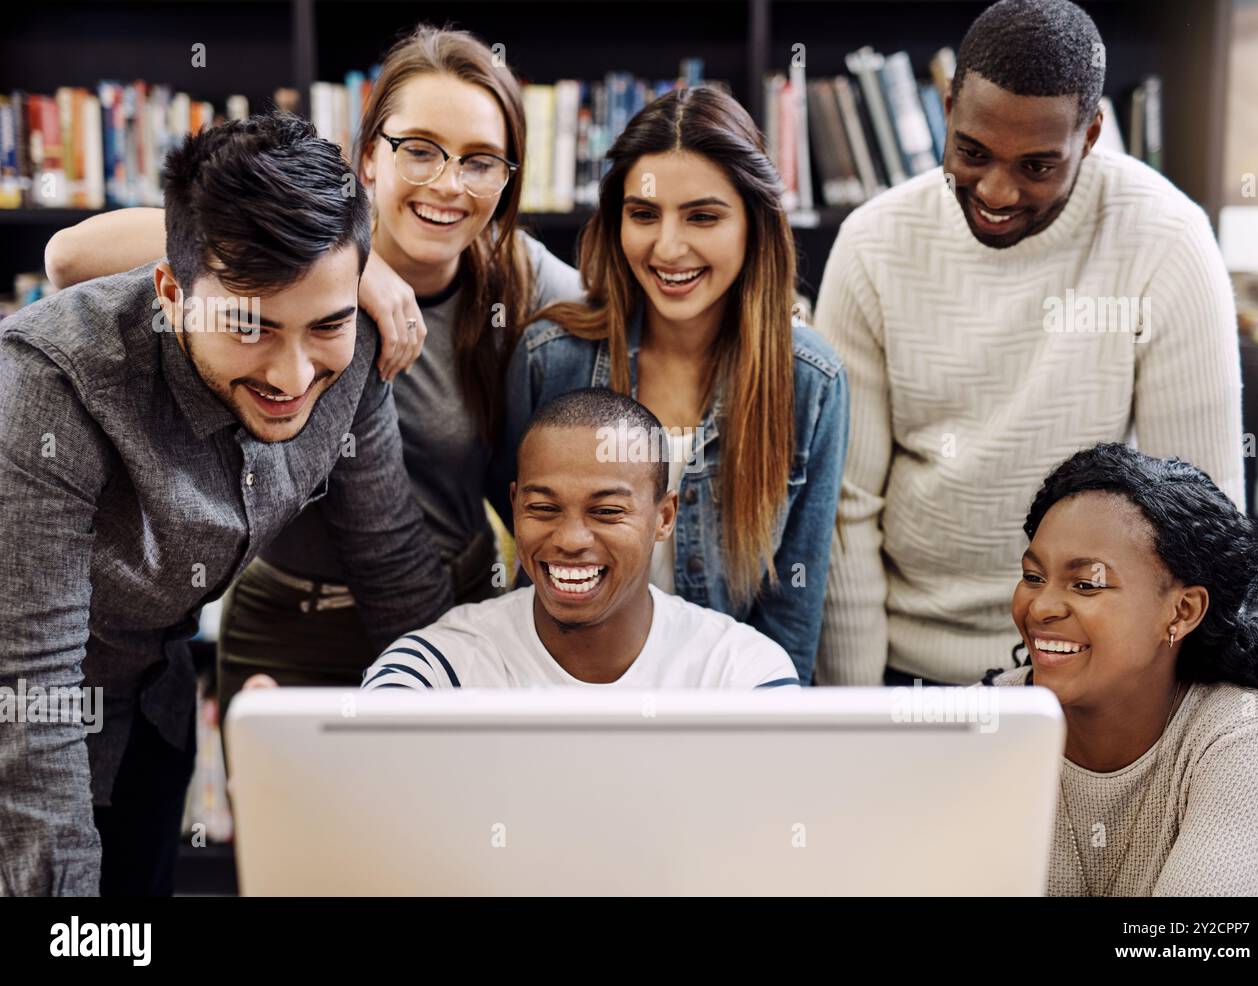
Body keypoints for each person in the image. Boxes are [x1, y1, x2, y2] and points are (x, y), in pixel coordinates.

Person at [42, 25, 584, 719]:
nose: (449, 184)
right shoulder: (296, 251)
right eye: (419, 150)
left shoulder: (526, 281)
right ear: (368, 158)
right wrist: (359, 269)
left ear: (509, 178)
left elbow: (639, 333)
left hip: (450, 611)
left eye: (481, 161)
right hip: (286, 621)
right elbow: (68, 258)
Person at [0, 113, 447, 895]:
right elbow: (32, 704)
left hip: (155, 710)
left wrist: (468, 764)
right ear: (171, 293)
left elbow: (394, 567)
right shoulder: (50, 386)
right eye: (250, 326)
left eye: (327, 324)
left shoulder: (355, 356)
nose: (293, 374)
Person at [815, 0, 1245, 687]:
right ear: (948, 105)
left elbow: (1203, 524)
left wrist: (1167, 721)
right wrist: (861, 716)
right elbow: (845, 513)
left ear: (1093, 133)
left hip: (1095, 677)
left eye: (1038, 167)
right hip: (909, 669)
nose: (995, 190)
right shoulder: (874, 245)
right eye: (972, 152)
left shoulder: (1167, 242)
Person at [504, 86, 849, 684]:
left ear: (753, 224)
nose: (667, 247)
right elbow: (526, 559)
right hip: (561, 693)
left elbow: (791, 620)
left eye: (703, 216)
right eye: (644, 214)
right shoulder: (550, 358)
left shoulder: (810, 382)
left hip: (726, 712)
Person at [988, 443, 1258, 896]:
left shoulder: (1240, 732)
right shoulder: (991, 717)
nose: (1042, 606)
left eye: (1086, 584)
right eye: (1033, 577)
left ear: (1182, 612)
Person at [363, 389, 800, 690]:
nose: (571, 540)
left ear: (663, 517)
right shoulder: (435, 671)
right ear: (515, 507)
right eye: (544, 509)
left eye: (607, 511)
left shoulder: (741, 675)